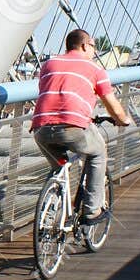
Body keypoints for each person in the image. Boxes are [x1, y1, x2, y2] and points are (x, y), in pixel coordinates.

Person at [32, 29, 130, 224]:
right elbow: (112, 105)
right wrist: (123, 120)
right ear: (85, 45)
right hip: (72, 127)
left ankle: (48, 218)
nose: (94, 51)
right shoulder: (94, 69)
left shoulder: (48, 64)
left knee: (58, 167)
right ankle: (91, 211)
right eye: (93, 46)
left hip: (40, 127)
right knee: (98, 152)